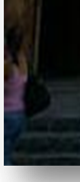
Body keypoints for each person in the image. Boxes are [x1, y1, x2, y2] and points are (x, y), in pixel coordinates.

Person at [3, 26, 29, 161]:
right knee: (7, 153)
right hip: (20, 113)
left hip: (6, 114)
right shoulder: (22, 61)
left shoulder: (7, 67)